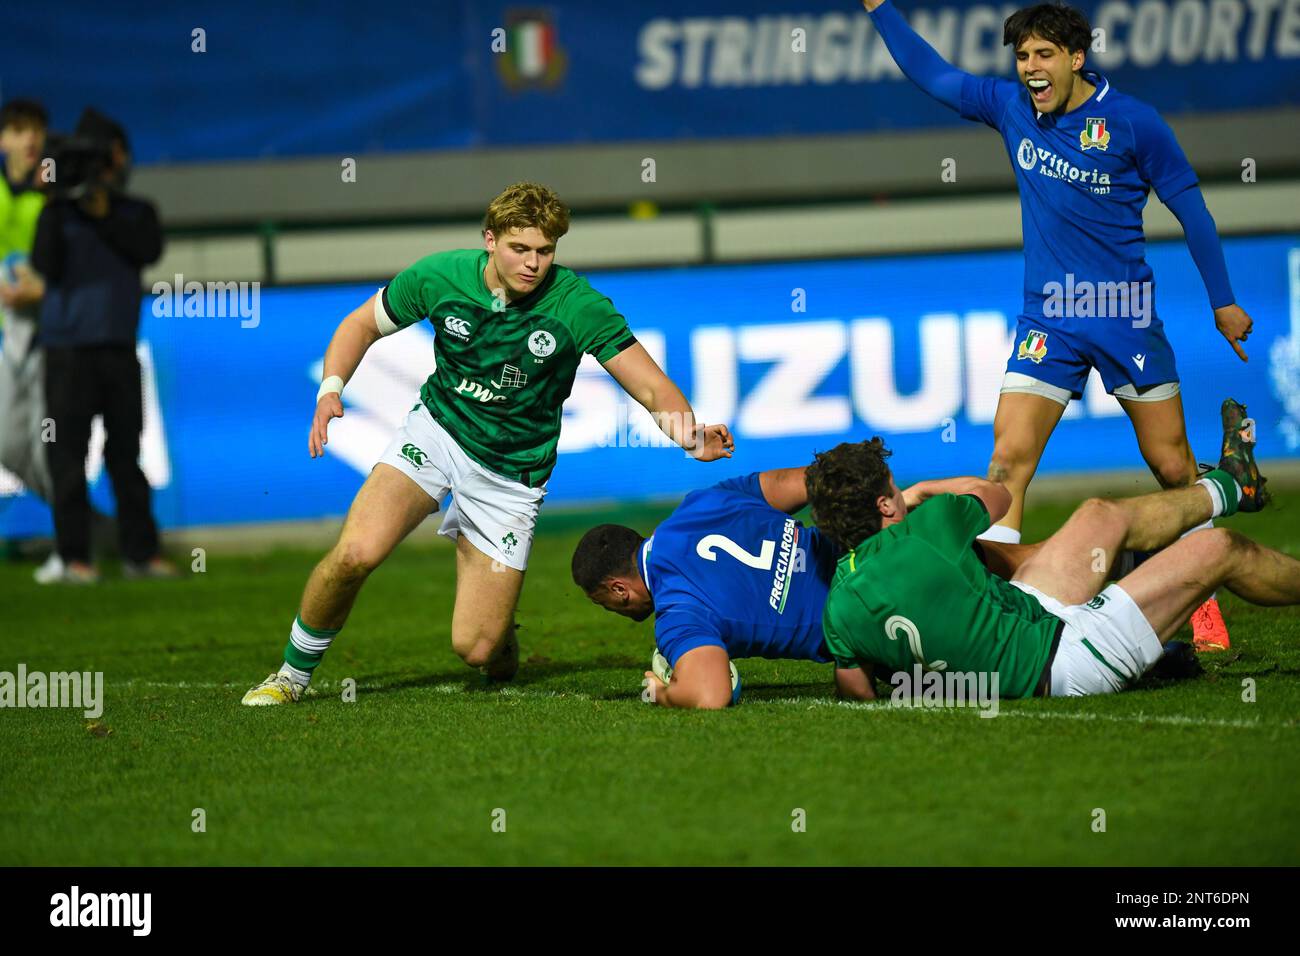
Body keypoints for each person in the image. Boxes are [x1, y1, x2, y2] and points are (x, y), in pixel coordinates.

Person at [859, 0, 1256, 652]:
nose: (1031, 69)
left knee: (1171, 464)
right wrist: (880, 8)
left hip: (1124, 317)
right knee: (1008, 459)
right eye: (1022, 57)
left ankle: (1200, 594)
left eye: (1044, 55)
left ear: (1076, 58)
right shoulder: (1009, 106)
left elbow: (1194, 210)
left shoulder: (1134, 124)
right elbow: (933, 76)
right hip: (1051, 318)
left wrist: (1222, 301)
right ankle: (1004, 609)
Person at [241, 182, 734, 705]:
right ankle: (289, 677)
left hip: (510, 477)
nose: (533, 264)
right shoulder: (439, 277)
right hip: (436, 434)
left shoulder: (578, 306)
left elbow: (651, 385)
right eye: (519, 249)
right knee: (355, 554)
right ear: (490, 239)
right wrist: (331, 390)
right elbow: (361, 324)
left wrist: (688, 433)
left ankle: (499, 631)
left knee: (477, 650)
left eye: (545, 251)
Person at [805, 400, 1291, 700]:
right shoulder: (925, 528)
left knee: (1100, 514)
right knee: (1220, 547)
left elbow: (857, 691)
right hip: (1069, 660)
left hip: (1032, 616)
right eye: (895, 487)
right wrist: (922, 491)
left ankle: (1231, 486)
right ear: (886, 501)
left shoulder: (839, 609)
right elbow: (997, 494)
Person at [573, 467, 1048, 708]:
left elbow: (711, 693)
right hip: (893, 553)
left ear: (618, 589)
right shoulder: (703, 501)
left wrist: (660, 692)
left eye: (606, 604)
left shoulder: (676, 614)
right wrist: (904, 500)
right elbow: (817, 477)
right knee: (1032, 569)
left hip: (873, 626)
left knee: (1013, 665)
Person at [30, 109, 171, 584]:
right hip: (66, 352)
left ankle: (141, 554)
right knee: (66, 456)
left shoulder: (137, 212)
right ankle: (75, 558)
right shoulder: (55, 213)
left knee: (125, 454)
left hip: (116, 348)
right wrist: (59, 199)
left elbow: (146, 250)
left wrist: (101, 212)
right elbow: (45, 264)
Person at [0, 99, 54, 566]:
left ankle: (75, 536)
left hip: (51, 333)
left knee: (52, 440)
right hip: (5, 336)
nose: (29, 138)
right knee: (8, 442)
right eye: (18, 130)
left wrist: (45, 288)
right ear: (4, 139)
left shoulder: (55, 195)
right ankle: (81, 523)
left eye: (35, 130)